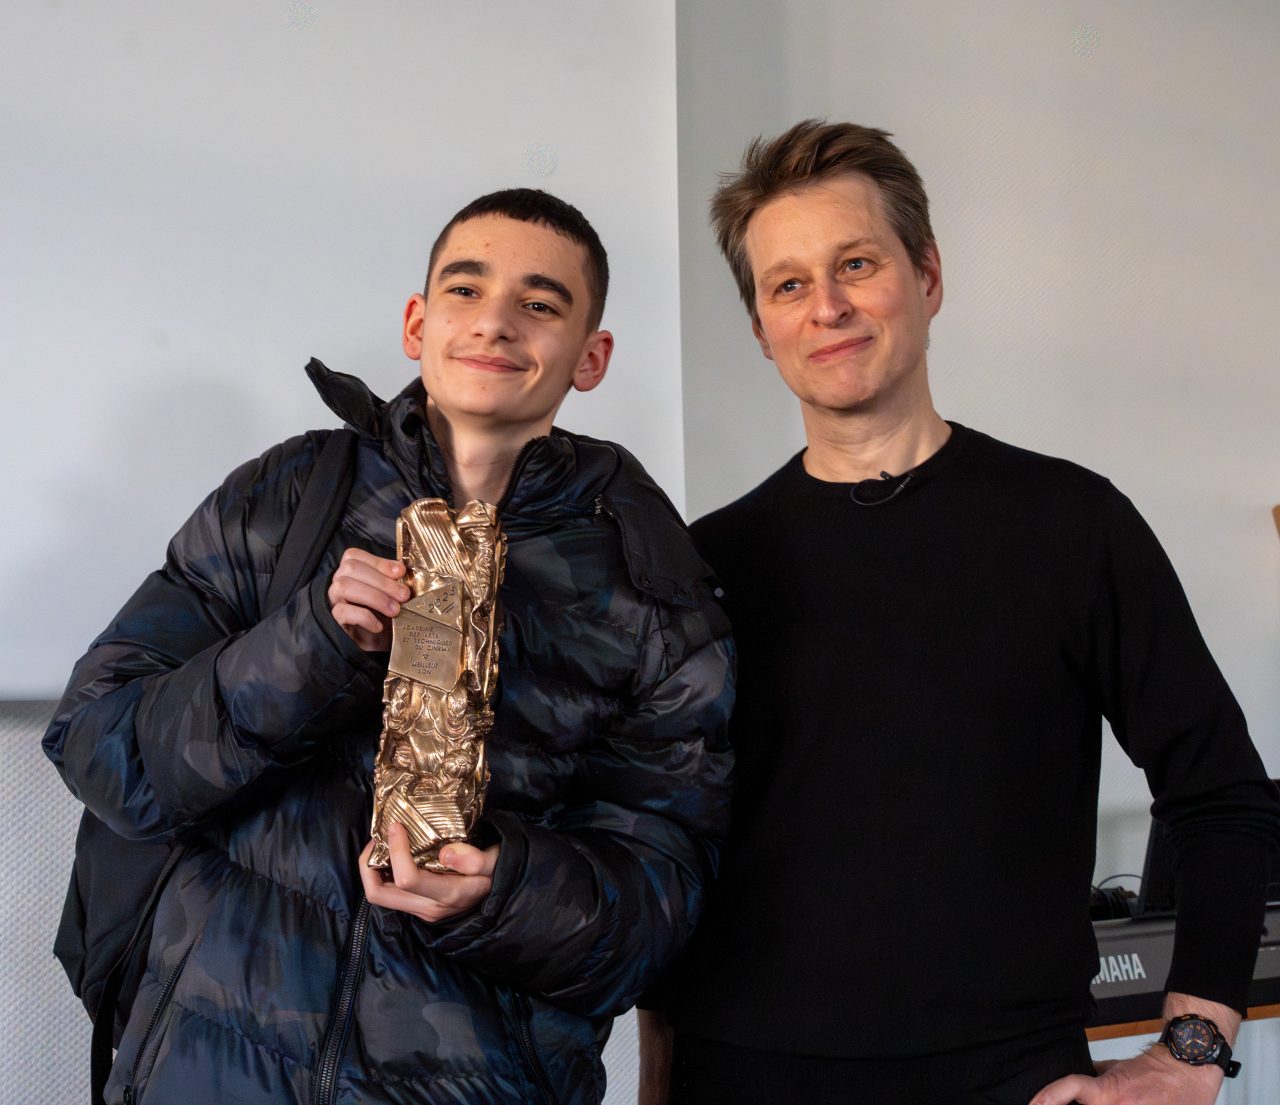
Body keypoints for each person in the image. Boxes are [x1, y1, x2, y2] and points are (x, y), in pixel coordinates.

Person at [44, 187, 734, 1105]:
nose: (494, 322)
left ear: (592, 356)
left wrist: (507, 891)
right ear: (417, 322)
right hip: (212, 1066)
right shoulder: (291, 496)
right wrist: (306, 651)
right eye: (465, 289)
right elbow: (100, 742)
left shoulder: (652, 591)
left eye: (540, 302)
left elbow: (661, 903)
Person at [639, 121, 1280, 1105]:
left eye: (856, 263)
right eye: (788, 284)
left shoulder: (1070, 525)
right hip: (744, 1076)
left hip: (1009, 1075)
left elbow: (1220, 793)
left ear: (926, 276)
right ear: (762, 329)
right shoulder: (704, 560)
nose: (827, 307)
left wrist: (1189, 1052)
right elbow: (665, 841)